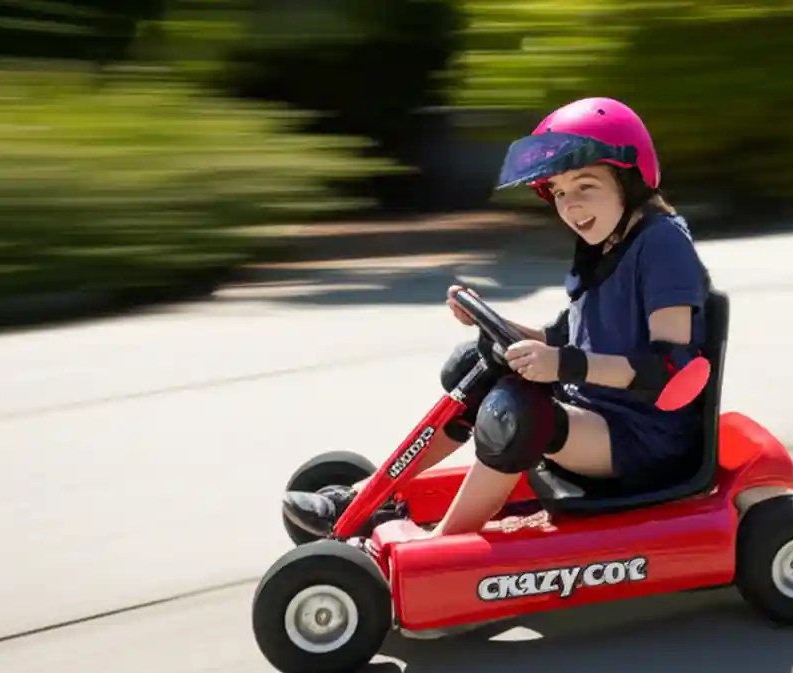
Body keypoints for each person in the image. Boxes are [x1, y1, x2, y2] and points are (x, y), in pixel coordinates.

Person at [282, 96, 711, 538]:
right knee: (472, 362)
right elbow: (571, 334)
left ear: (630, 178)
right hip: (596, 413)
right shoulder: (608, 243)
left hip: (643, 438)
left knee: (518, 413)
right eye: (560, 192)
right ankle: (368, 493)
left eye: (585, 186)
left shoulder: (662, 245)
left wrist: (561, 364)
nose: (571, 206)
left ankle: (440, 547)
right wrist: (494, 327)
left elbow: (670, 370)